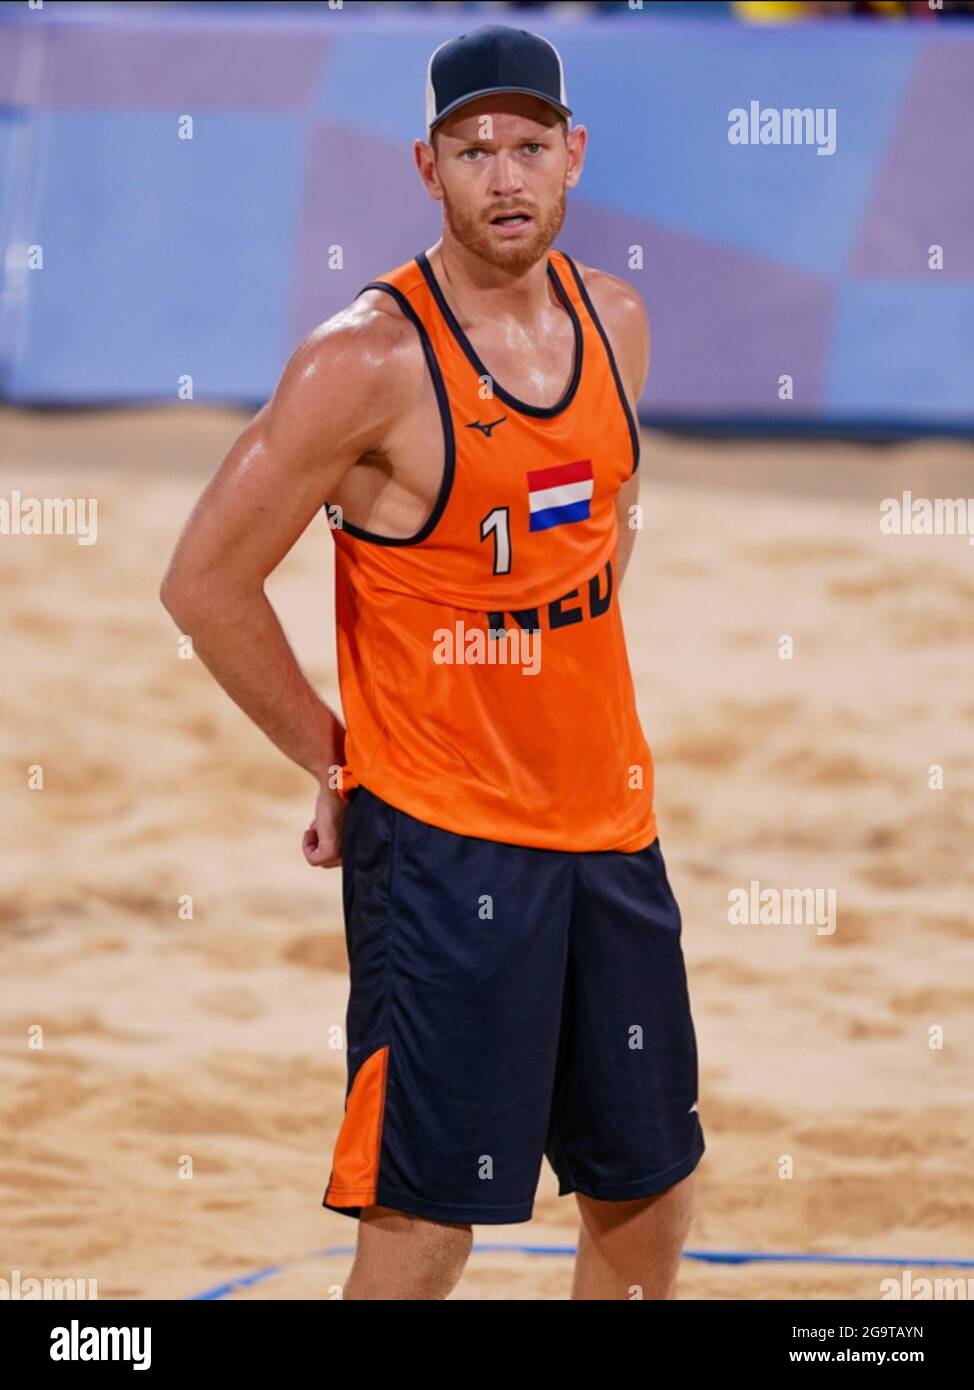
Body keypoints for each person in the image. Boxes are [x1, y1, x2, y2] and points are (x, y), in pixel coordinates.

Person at [160, 23, 705, 1301]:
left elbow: (600, 525)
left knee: (645, 1178)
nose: (503, 176)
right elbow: (203, 581)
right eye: (472, 150)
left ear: (575, 154)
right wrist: (336, 752)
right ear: (426, 166)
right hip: (446, 842)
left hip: (608, 820)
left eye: (527, 146)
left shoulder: (613, 321)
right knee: (427, 1216)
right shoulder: (363, 358)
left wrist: (526, 670)